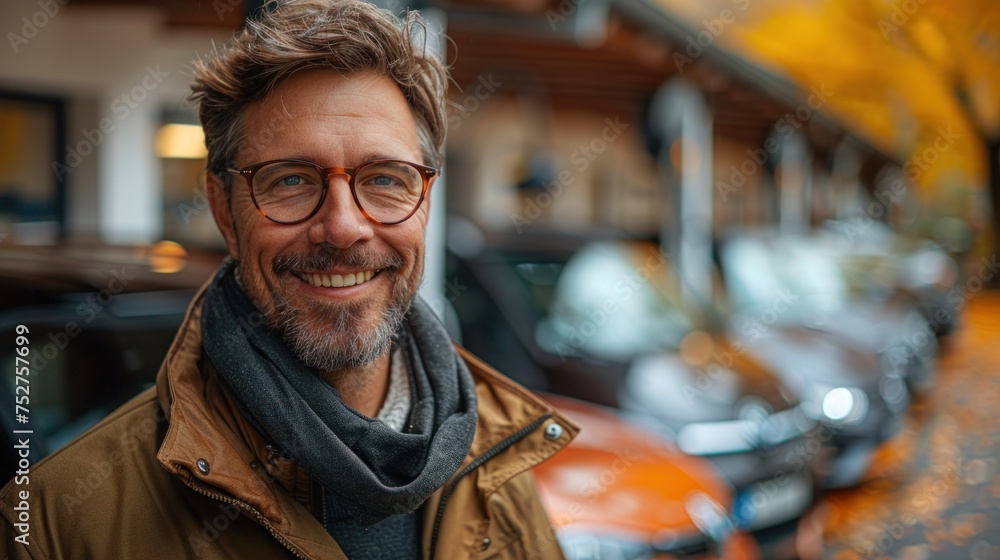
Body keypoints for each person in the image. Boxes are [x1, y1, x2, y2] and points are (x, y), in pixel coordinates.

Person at [0, 1, 577, 558]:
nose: (344, 228)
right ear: (224, 211)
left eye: (384, 179)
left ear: (425, 201)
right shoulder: (62, 523)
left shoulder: (497, 473)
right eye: (290, 180)